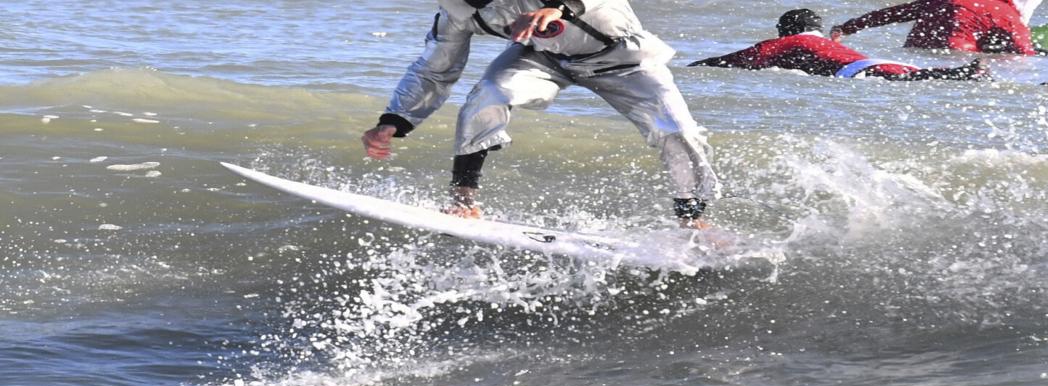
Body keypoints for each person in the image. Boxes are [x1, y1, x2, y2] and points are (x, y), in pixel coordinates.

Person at [361, 0, 720, 226]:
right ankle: (463, 201)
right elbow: (433, 70)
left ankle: (693, 221)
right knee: (489, 93)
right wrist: (393, 120)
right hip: (545, 59)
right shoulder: (455, 13)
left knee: (677, 131)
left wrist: (562, 8)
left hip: (623, 60)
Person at [690, 9, 989, 81]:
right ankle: (962, 72)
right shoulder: (820, 43)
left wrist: (696, 66)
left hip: (864, 72)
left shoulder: (791, 42)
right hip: (885, 64)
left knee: (911, 80)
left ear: (786, 31)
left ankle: (963, 73)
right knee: (919, 76)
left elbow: (738, 60)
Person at [830, 0, 1038, 56]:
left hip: (914, 51)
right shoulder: (1005, 12)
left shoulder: (938, 0)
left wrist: (848, 28)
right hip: (958, 57)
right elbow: (1022, 50)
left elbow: (892, 14)